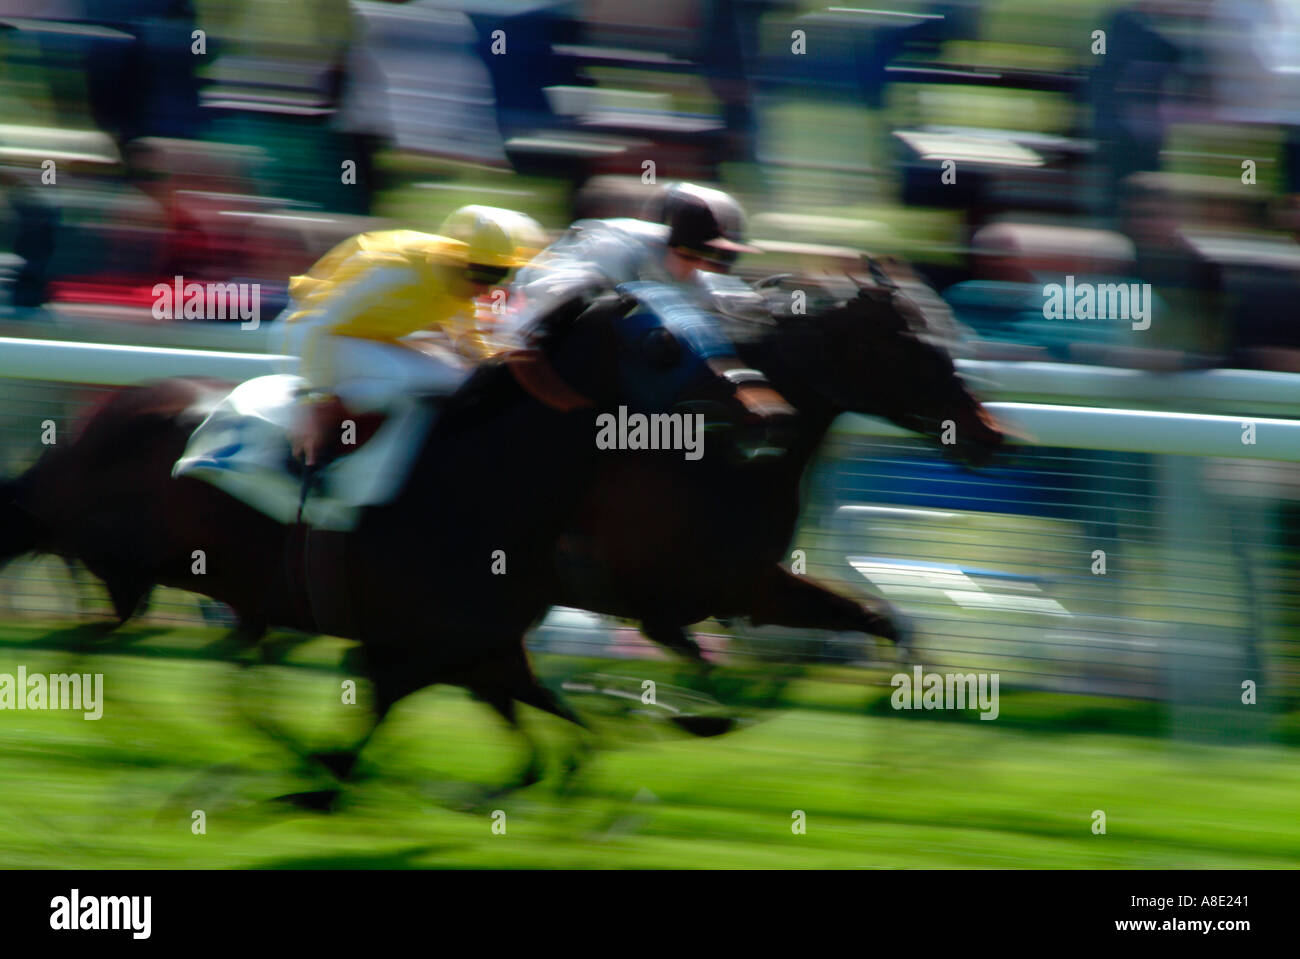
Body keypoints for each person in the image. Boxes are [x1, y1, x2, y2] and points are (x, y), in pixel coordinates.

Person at [282, 205, 545, 465]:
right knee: (404, 378)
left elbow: (470, 343)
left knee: (456, 379)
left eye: (499, 274)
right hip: (312, 337)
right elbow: (312, 324)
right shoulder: (390, 268)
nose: (486, 286)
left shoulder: (455, 283)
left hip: (363, 342)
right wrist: (313, 400)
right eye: (482, 273)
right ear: (453, 258)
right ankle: (318, 443)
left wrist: (510, 366)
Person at [513, 182, 792, 422]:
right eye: (693, 254)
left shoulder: (704, 281)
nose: (708, 267)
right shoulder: (609, 249)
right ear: (664, 240)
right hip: (531, 343)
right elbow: (528, 326)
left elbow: (743, 324)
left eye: (722, 258)